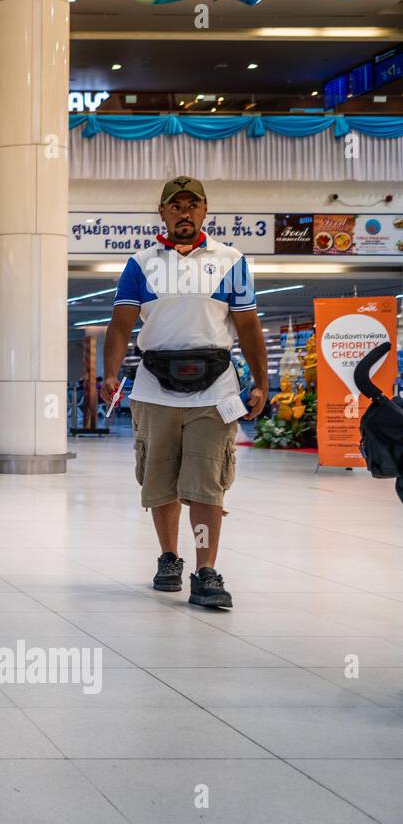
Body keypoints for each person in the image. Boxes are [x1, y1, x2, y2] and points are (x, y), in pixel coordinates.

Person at [100, 176, 267, 609]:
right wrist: (109, 373)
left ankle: (205, 570)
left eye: (192, 205)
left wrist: (263, 381)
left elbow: (248, 325)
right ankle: (169, 558)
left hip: (215, 393)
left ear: (205, 211)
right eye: (176, 206)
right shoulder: (140, 263)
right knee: (162, 483)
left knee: (207, 484)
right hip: (154, 390)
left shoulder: (232, 260)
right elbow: (121, 323)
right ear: (163, 213)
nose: (184, 213)